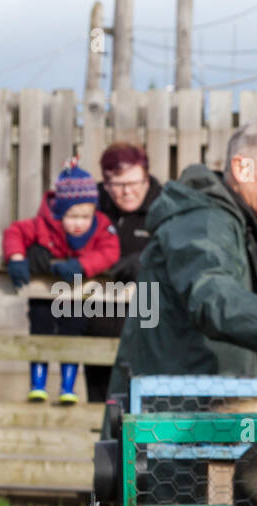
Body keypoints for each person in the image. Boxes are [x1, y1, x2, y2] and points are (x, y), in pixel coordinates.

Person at [107, 116, 257, 399]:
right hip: (169, 423)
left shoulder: (237, 224)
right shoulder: (204, 220)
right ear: (242, 169)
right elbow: (212, 290)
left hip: (194, 414)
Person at [3, 159, 120, 404]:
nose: (79, 223)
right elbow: (15, 232)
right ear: (60, 211)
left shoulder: (101, 227)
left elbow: (110, 251)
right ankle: (38, 383)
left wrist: (82, 265)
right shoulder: (44, 224)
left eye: (85, 216)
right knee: (41, 329)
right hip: (44, 292)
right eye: (72, 216)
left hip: (77, 294)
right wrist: (16, 257)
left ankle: (68, 386)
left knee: (73, 332)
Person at [83, 143, 164, 404]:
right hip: (97, 326)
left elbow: (187, 247)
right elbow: (56, 228)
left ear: (146, 176)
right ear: (105, 183)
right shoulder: (90, 205)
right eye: (118, 185)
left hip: (147, 332)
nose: (128, 191)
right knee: (100, 412)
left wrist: (147, 258)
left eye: (135, 182)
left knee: (143, 413)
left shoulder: (164, 206)